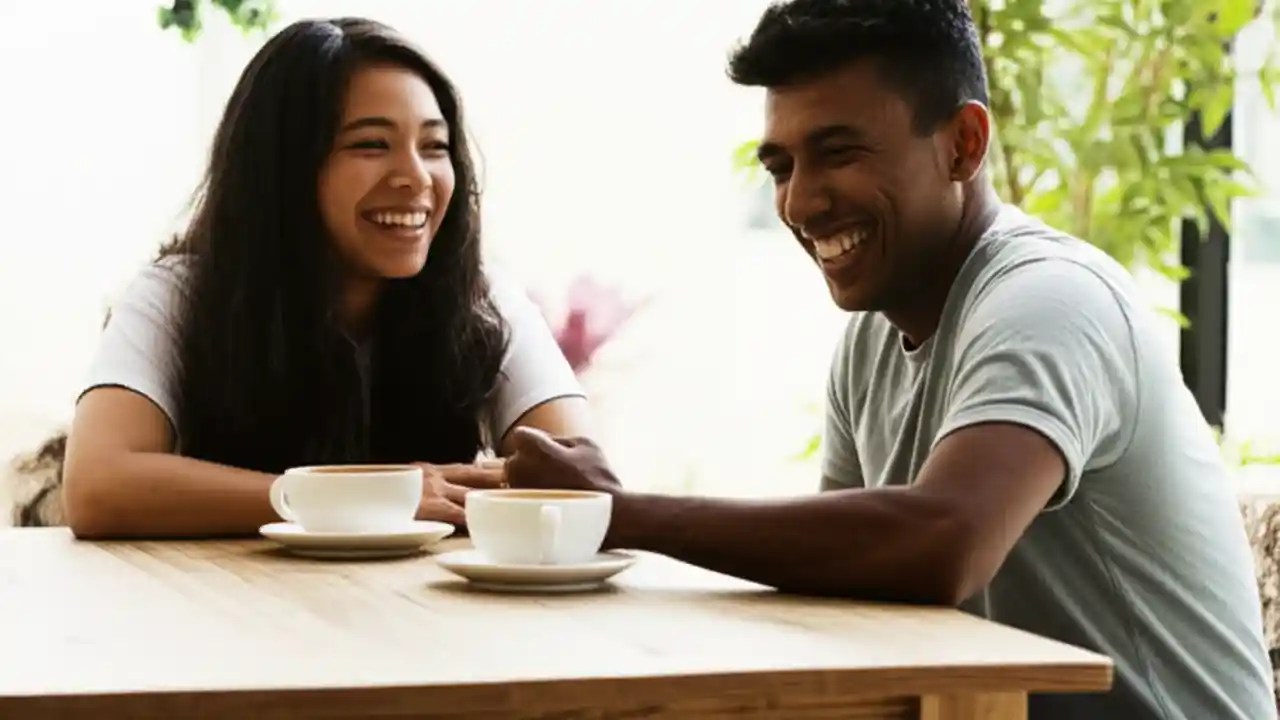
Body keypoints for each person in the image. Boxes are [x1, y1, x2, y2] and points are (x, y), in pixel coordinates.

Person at [503, 1, 1275, 717]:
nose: (802, 203)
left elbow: (945, 542)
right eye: (780, 168)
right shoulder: (870, 342)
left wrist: (619, 511)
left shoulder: (1051, 299)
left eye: (838, 154)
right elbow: (853, 594)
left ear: (964, 144)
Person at [63, 18, 589, 538]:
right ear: (284, 169)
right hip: (224, 604)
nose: (415, 177)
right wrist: (368, 497)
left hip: (421, 613)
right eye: (371, 145)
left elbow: (579, 480)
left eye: (434, 146)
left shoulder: (482, 300)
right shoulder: (180, 293)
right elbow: (98, 486)